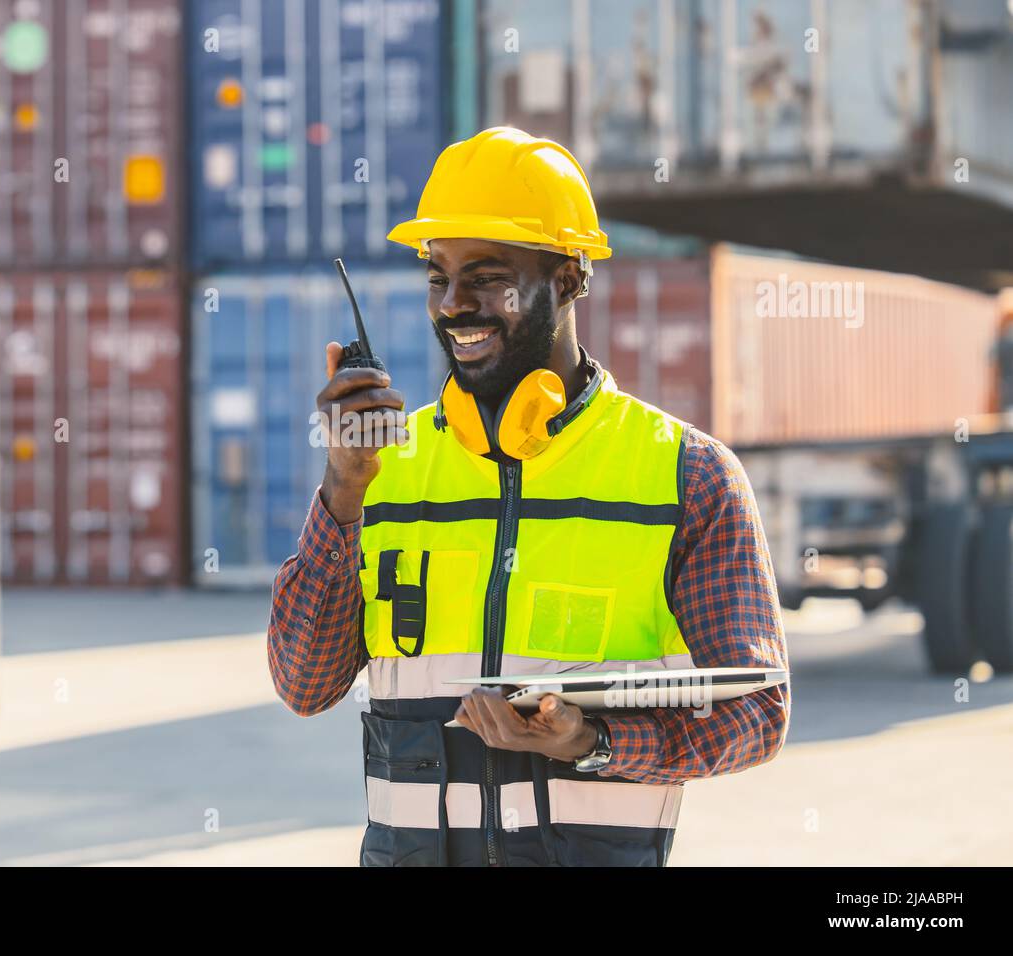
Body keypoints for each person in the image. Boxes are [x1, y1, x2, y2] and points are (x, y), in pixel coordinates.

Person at [267, 127, 790, 867]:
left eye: (486, 277)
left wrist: (594, 741)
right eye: (437, 277)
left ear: (570, 278)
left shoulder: (686, 477)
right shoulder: (383, 471)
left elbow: (758, 714)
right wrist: (343, 488)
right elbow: (303, 682)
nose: (455, 305)